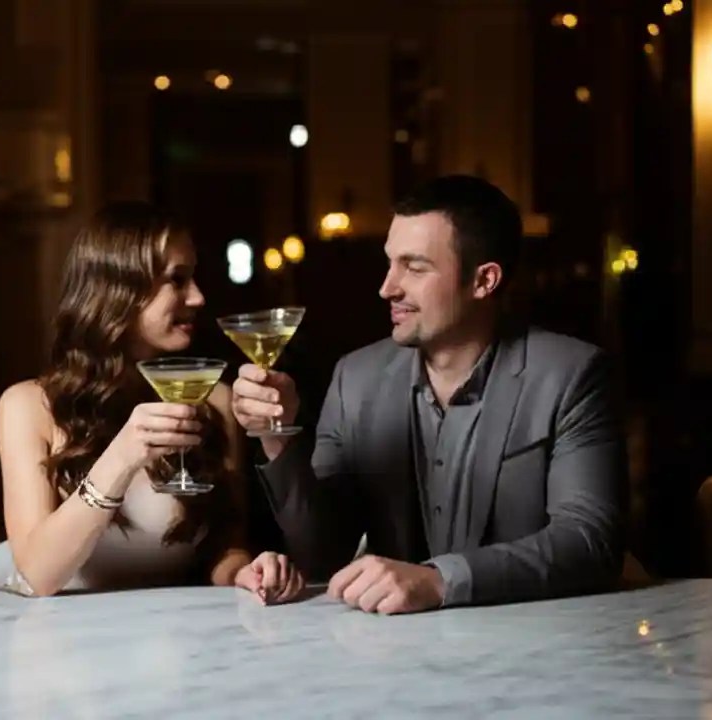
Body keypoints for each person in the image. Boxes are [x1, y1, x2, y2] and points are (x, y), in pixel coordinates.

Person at [231, 175, 628, 614]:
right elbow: (325, 551)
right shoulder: (355, 378)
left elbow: (590, 542)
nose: (388, 287)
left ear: (485, 280)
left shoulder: (572, 374)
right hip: (395, 655)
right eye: (390, 263)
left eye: (415, 267)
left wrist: (441, 581)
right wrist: (276, 434)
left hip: (534, 644)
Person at [0, 201, 303, 601]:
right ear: (119, 290)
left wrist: (244, 573)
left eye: (194, 277)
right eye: (177, 280)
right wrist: (121, 457)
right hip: (67, 640)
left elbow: (222, 546)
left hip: (177, 638)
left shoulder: (215, 400)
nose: (198, 297)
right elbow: (37, 577)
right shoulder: (28, 407)